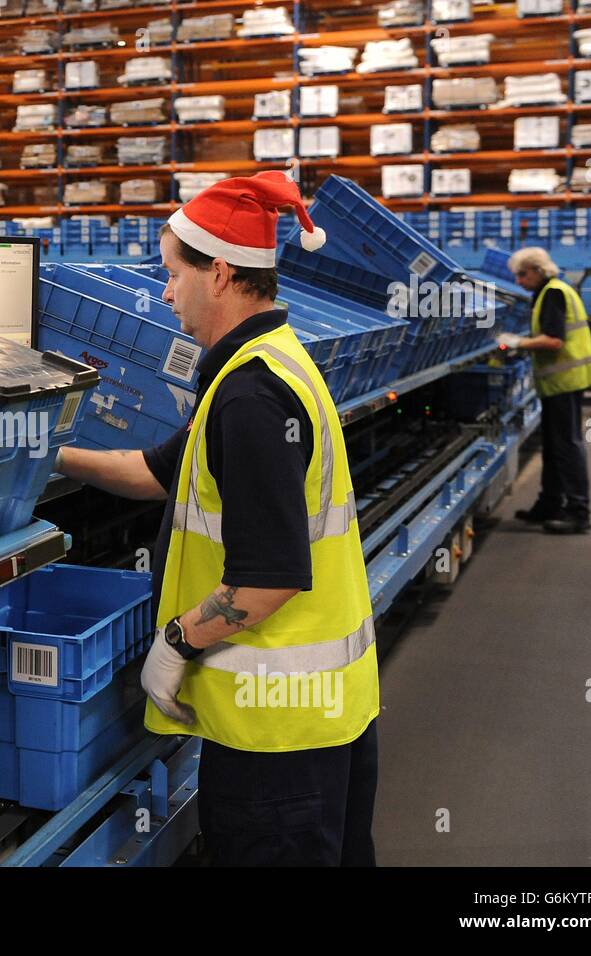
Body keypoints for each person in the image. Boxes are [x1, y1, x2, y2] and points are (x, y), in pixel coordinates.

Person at [57, 171, 379, 866]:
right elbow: (154, 471)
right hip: (325, 716)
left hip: (276, 740)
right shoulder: (266, 364)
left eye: (173, 274)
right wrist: (53, 457)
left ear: (221, 272)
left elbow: (269, 578)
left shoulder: (252, 395)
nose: (165, 291)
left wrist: (176, 643)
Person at [498, 247, 591, 534]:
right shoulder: (549, 292)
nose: (518, 281)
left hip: (565, 382)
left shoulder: (553, 293)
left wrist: (516, 343)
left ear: (537, 271)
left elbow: (554, 341)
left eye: (521, 274)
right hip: (559, 383)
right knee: (555, 448)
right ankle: (550, 503)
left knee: (567, 445)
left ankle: (579, 512)